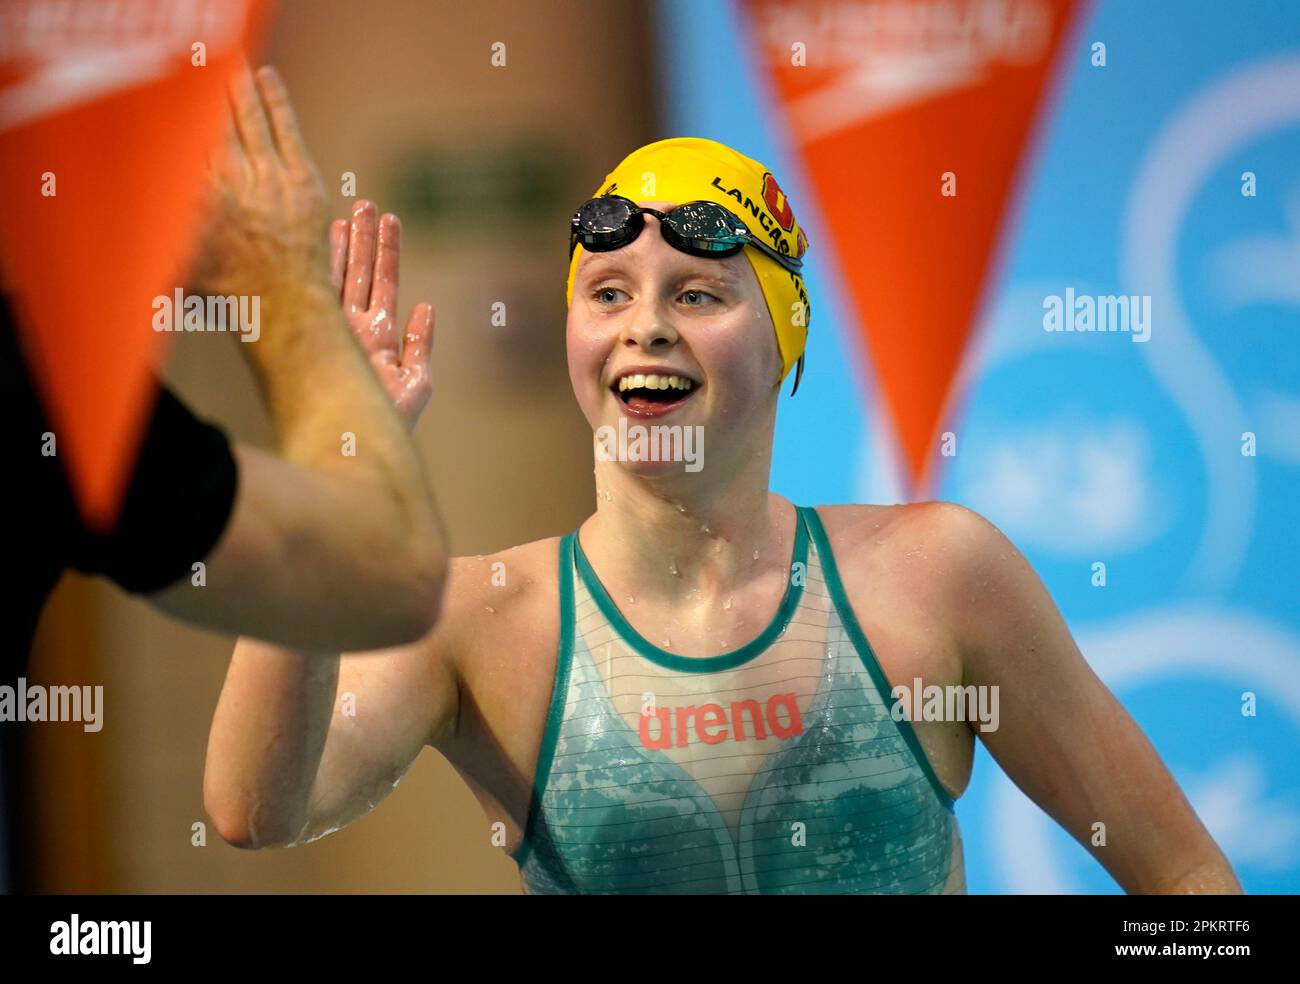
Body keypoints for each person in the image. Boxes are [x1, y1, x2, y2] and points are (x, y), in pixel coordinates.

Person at [203, 134, 1242, 894]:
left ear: (785, 336)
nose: (645, 327)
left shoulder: (937, 577)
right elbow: (253, 809)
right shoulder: (482, 622)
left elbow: (1188, 880)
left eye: (698, 294)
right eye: (607, 292)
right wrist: (323, 464)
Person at [6, 64, 448, 663]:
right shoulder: (39, 381)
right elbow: (390, 577)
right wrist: (281, 286)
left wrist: (352, 431)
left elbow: (339, 587)